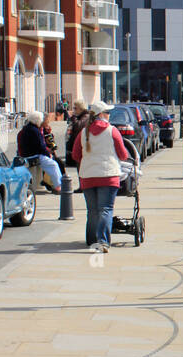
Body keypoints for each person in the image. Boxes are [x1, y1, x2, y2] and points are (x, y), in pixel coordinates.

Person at [71, 101, 130, 252]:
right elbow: (123, 154)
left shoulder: (83, 132)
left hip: (87, 176)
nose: (110, 115)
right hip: (108, 175)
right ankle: (103, 241)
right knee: (105, 209)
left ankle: (91, 240)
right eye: (108, 113)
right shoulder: (112, 131)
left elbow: (75, 155)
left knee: (92, 211)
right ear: (102, 115)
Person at [17, 111, 63, 193]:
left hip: (26, 154)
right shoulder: (35, 131)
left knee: (53, 163)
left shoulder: (27, 129)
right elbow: (41, 146)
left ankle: (54, 184)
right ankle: (58, 186)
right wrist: (48, 154)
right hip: (33, 156)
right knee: (53, 165)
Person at [41, 112, 68, 179]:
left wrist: (49, 133)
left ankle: (62, 180)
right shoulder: (40, 130)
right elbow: (41, 144)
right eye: (47, 120)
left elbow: (51, 143)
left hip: (49, 152)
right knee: (58, 163)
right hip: (44, 153)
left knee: (60, 163)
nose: (48, 121)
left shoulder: (46, 130)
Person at [66, 98, 89, 168]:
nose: (74, 110)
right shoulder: (80, 117)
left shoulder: (86, 117)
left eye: (75, 108)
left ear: (81, 109)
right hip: (77, 146)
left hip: (82, 147)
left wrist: (74, 117)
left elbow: (78, 126)